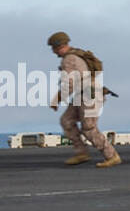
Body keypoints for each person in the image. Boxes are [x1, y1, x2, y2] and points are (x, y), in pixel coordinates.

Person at [47, 32, 121, 168]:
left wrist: (57, 99)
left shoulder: (69, 59)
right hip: (82, 95)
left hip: (89, 95)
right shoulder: (75, 55)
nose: (53, 51)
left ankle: (111, 156)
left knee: (88, 128)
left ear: (59, 46)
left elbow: (69, 83)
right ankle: (81, 153)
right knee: (66, 121)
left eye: (53, 48)